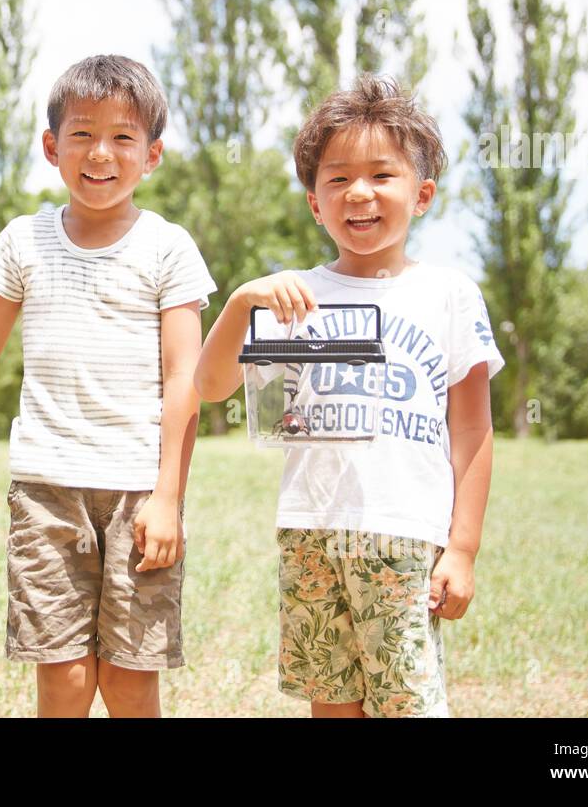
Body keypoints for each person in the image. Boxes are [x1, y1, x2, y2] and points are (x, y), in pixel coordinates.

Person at [0, 54, 215, 717]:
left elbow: (186, 378)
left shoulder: (168, 247)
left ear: (152, 156)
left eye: (123, 137)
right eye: (83, 134)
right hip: (44, 489)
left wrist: (169, 498)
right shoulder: (23, 240)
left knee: (128, 677)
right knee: (60, 675)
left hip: (137, 492)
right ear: (52, 147)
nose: (101, 153)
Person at [195, 73, 504, 717]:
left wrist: (464, 547)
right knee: (331, 703)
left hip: (402, 534)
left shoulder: (448, 294)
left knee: (408, 705)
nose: (358, 192)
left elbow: (472, 429)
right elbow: (212, 385)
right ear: (314, 202)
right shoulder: (290, 296)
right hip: (309, 528)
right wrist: (238, 303)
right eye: (336, 178)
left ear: (421, 195)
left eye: (381, 175)